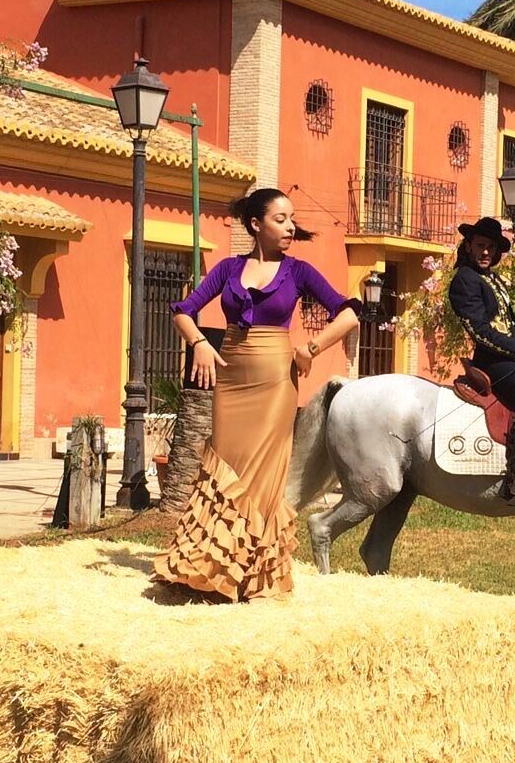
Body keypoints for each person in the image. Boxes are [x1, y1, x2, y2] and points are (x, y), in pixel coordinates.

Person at [153, 188, 360, 600]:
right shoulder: (228, 269)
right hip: (231, 380)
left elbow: (350, 313)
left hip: (276, 382)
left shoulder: (299, 271)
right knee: (224, 465)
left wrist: (311, 347)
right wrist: (199, 343)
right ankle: (207, 567)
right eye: (281, 219)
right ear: (255, 224)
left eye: (292, 219)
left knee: (262, 474)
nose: (290, 227)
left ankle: (250, 575)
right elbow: (183, 311)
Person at [447, 216, 515, 512]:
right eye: (481, 245)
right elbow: (481, 332)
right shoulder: (465, 280)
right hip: (493, 361)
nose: (485, 252)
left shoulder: (492, 278)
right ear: (469, 245)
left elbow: (510, 328)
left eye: (491, 248)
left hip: (509, 355)